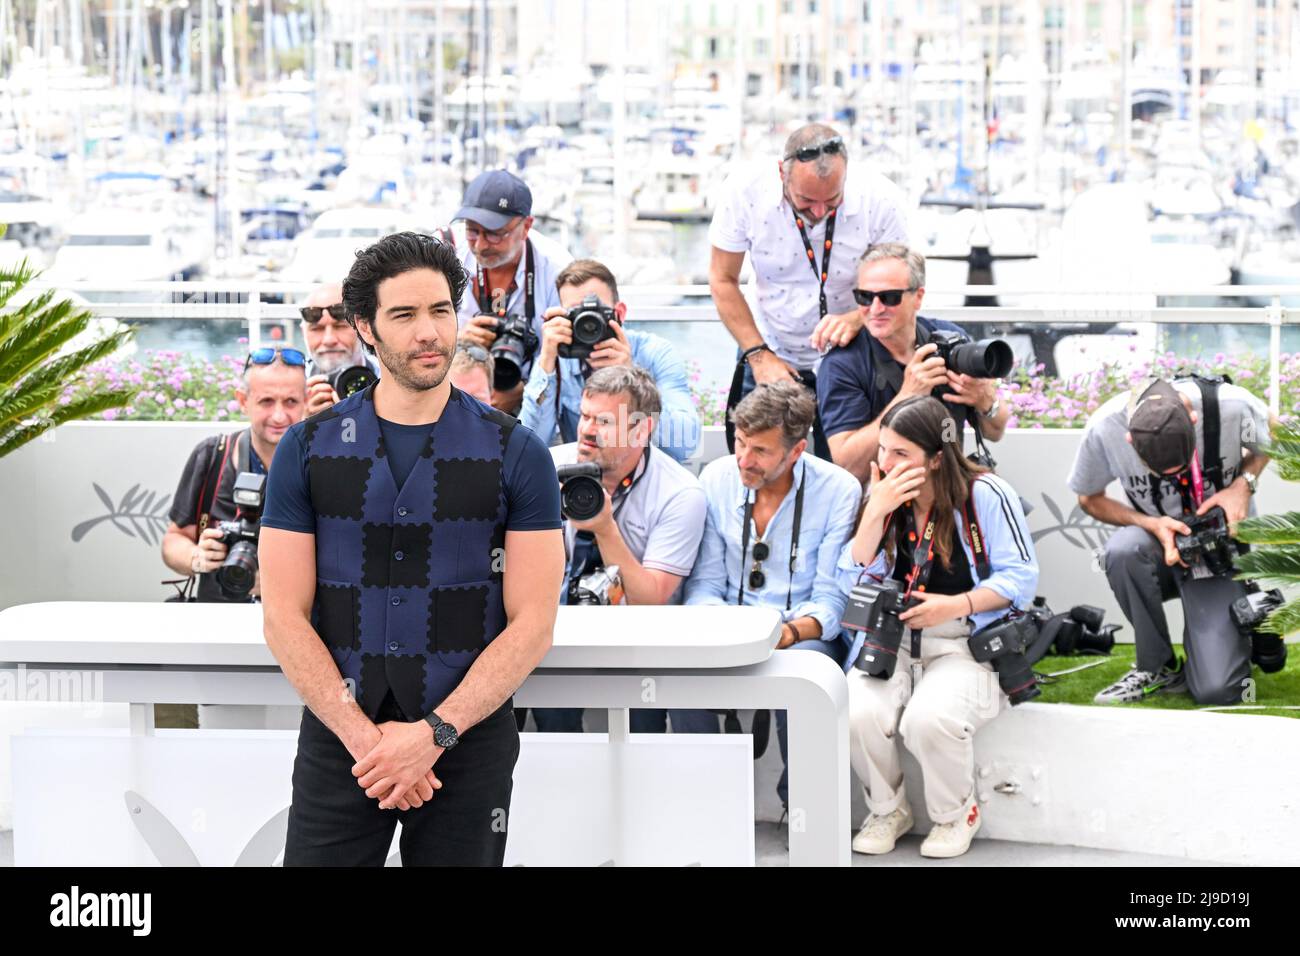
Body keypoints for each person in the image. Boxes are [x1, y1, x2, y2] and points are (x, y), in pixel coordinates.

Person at [259, 232, 565, 866]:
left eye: (440, 310)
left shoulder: (518, 453)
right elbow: (283, 615)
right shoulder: (308, 448)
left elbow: (533, 623)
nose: (428, 332)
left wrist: (435, 734)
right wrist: (364, 740)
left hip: (469, 743)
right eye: (404, 315)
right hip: (341, 741)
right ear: (366, 328)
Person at [840, 396, 1037, 859]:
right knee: (855, 711)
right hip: (893, 637)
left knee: (930, 720)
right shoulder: (885, 496)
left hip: (964, 641)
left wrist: (954, 605)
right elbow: (847, 578)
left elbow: (1020, 579)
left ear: (935, 457)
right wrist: (874, 511)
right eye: (883, 449)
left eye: (900, 453)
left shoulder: (986, 494)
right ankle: (888, 809)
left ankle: (956, 815)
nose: (885, 463)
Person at [684, 381, 861, 807]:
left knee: (802, 672)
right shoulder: (716, 477)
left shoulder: (839, 490)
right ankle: (709, 804)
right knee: (684, 679)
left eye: (760, 451)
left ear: (796, 451)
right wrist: (728, 628)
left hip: (801, 631)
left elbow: (830, 600)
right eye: (740, 443)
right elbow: (704, 584)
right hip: (728, 624)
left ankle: (801, 811)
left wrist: (787, 634)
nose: (744, 460)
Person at [708, 122, 909, 458]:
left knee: (849, 471)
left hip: (852, 356)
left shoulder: (881, 198)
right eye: (805, 200)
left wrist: (856, 318)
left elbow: (901, 283)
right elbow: (722, 279)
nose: (818, 212)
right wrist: (758, 356)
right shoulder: (745, 191)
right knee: (756, 463)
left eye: (832, 200)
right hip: (768, 346)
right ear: (781, 173)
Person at [1068, 376, 1274, 704]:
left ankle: (1223, 646)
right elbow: (1089, 498)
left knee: (1218, 690)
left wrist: (1242, 485)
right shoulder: (1105, 427)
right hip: (1159, 548)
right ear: (1130, 440)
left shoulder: (1232, 404)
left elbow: (1275, 432)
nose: (1174, 478)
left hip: (1218, 552)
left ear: (1193, 420)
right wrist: (1149, 523)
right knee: (1123, 550)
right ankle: (1157, 666)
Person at [533, 365, 710, 734]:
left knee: (642, 719)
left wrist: (604, 529)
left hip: (641, 639)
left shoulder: (679, 493)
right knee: (548, 709)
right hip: (556, 628)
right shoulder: (547, 466)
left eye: (604, 421)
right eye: (584, 417)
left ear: (642, 429)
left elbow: (650, 600)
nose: (587, 431)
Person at [817, 243, 1010, 483]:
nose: (876, 309)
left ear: (918, 297)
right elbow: (849, 465)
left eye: (889, 297)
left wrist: (984, 400)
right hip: (884, 498)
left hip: (950, 489)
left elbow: (996, 431)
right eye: (865, 297)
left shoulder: (950, 338)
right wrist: (907, 395)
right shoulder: (843, 363)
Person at [161, 347, 308, 603]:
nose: (279, 415)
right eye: (266, 401)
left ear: (305, 401)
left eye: (291, 401)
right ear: (243, 401)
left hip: (299, 624)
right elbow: (174, 541)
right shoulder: (211, 455)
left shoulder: (324, 463)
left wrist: (285, 580)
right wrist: (198, 557)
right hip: (220, 621)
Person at [520, 258, 701, 462]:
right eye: (576, 314)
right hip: (585, 478)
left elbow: (684, 444)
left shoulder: (655, 353)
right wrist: (546, 361)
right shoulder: (559, 361)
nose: (587, 324)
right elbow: (528, 445)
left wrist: (631, 379)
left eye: (595, 312)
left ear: (619, 313)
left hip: (643, 475)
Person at [452, 169, 572, 415]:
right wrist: (456, 341)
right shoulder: (446, 253)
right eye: (472, 231)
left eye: (495, 234)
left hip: (531, 405)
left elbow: (570, 367)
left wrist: (527, 389)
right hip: (452, 400)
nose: (481, 245)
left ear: (526, 226)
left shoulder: (557, 271)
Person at [299, 282, 383, 417]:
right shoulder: (293, 390)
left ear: (365, 328)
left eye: (340, 326)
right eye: (316, 329)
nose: (329, 340)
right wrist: (302, 423)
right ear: (303, 333)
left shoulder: (389, 378)